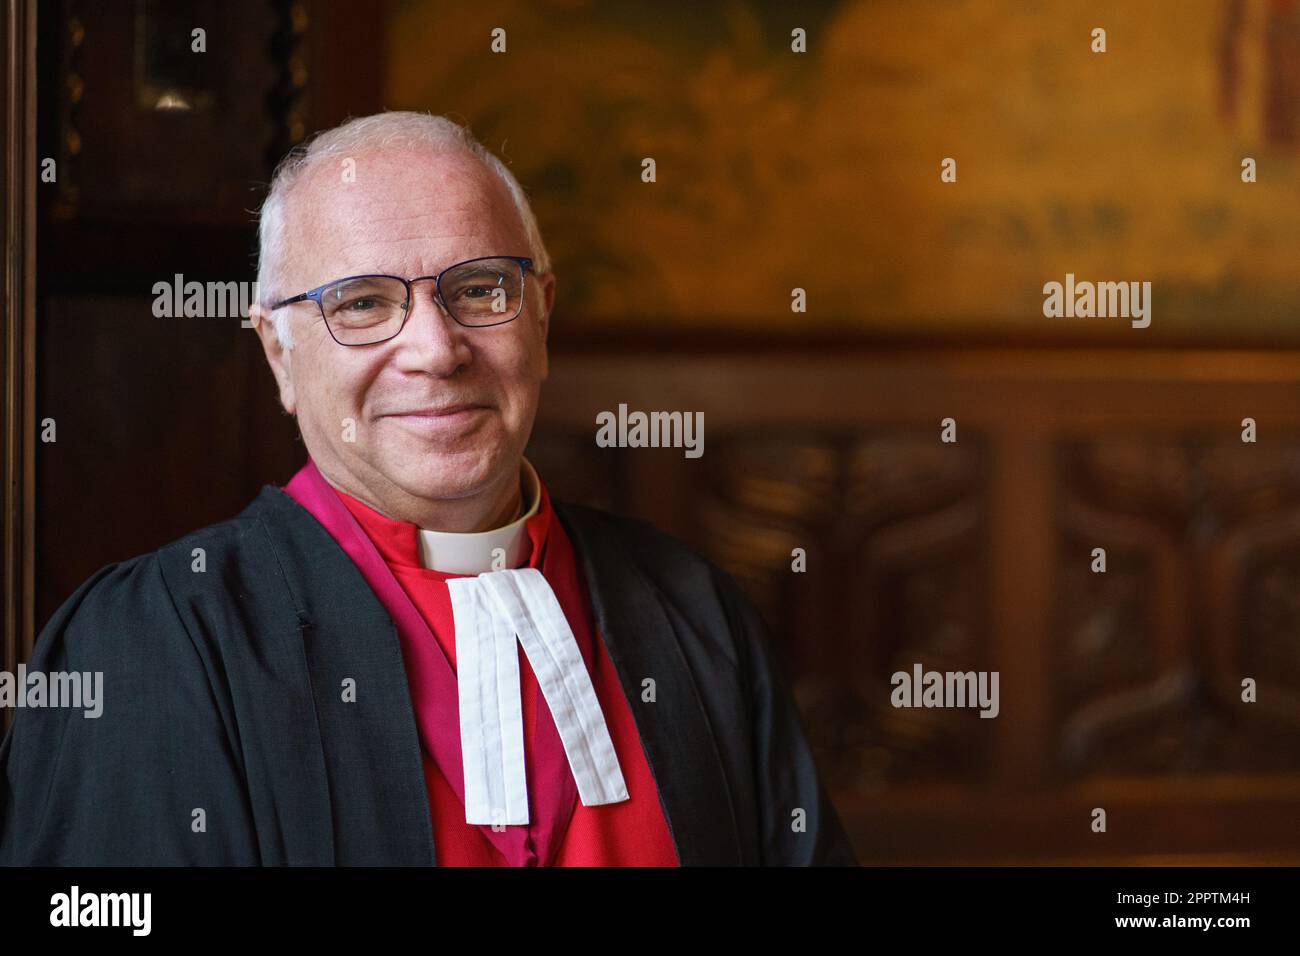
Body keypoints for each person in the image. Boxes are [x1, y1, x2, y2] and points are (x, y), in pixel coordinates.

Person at [0, 111, 857, 867]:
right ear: (279, 355)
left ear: (542, 317)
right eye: (364, 303)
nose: (436, 349)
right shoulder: (153, 642)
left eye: (480, 288)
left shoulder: (691, 611)